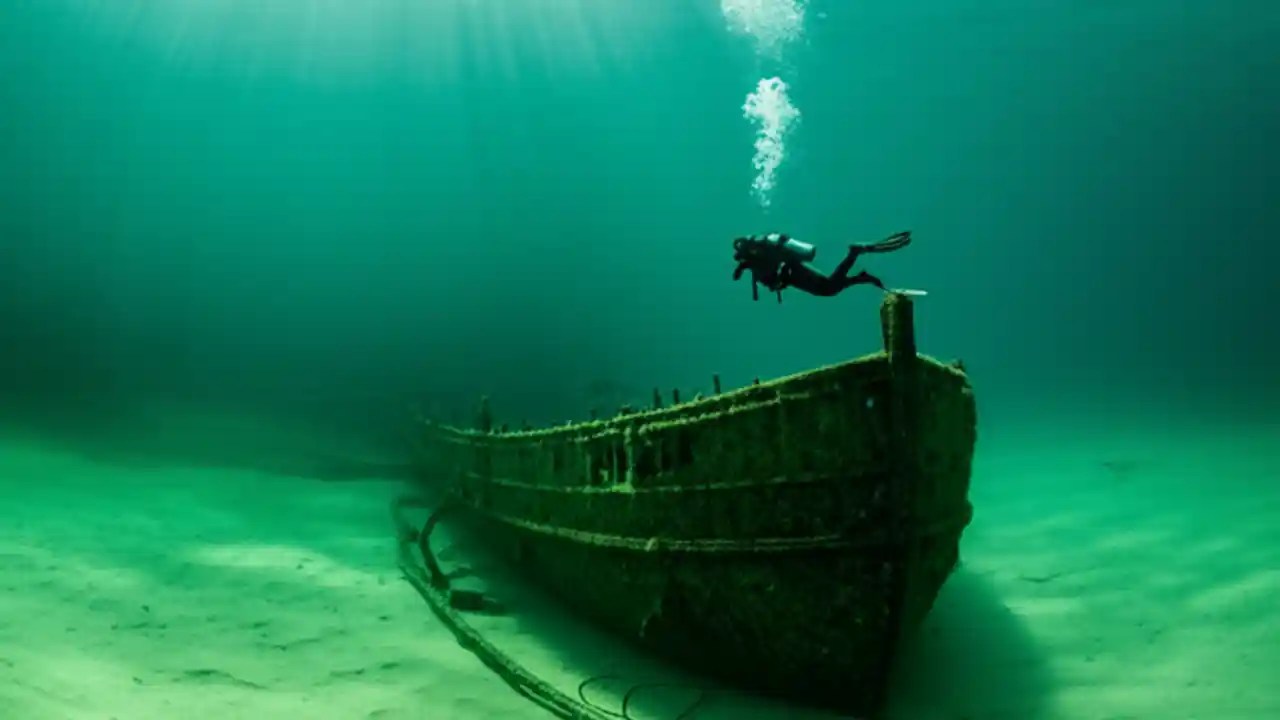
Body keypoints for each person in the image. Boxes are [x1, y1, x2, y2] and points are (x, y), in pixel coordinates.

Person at [732, 230, 911, 302]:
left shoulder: (756, 263)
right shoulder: (755, 263)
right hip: (793, 272)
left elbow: (774, 275)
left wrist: (779, 279)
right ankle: (860, 275)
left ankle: (854, 255)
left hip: (794, 271)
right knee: (828, 288)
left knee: (828, 288)